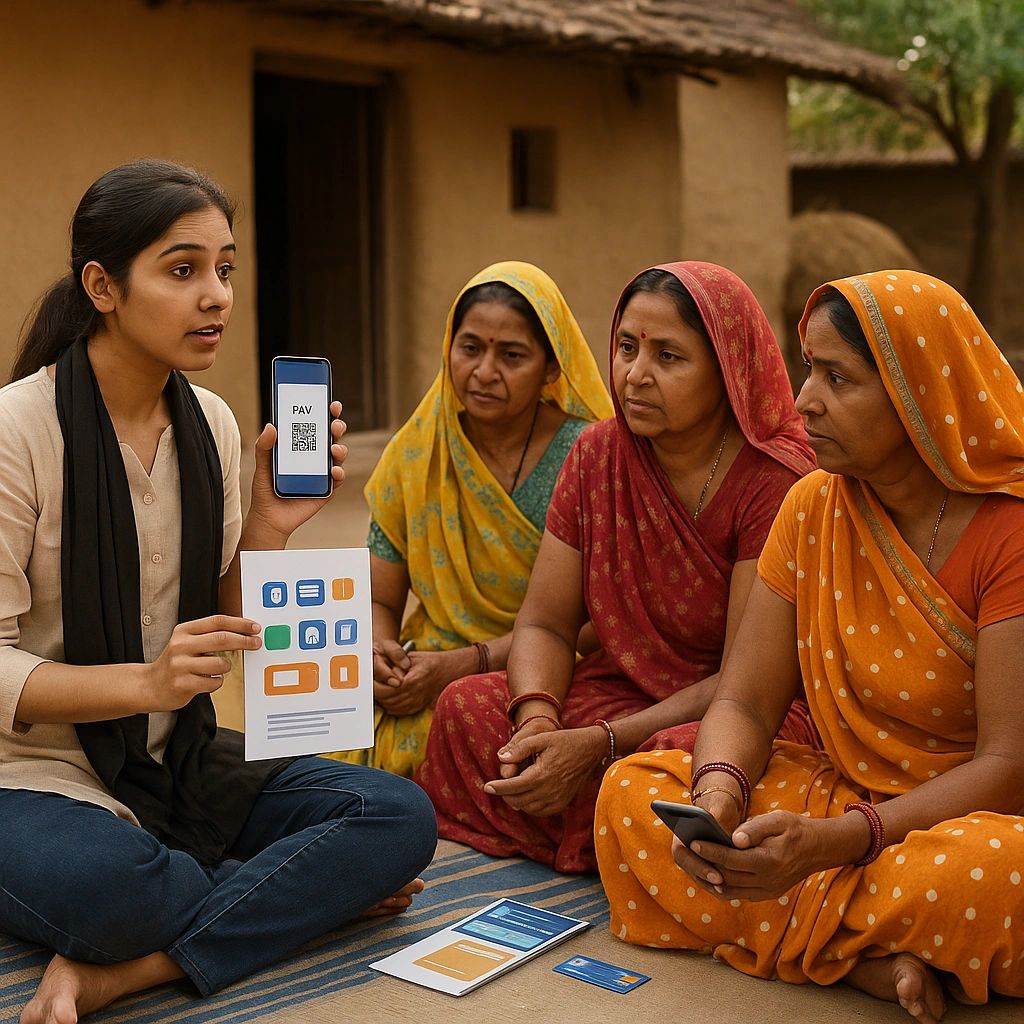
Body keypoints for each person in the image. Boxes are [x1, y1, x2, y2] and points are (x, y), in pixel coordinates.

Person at [0, 160, 437, 1024]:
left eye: (226, 269)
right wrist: (148, 683)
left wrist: (272, 525)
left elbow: (226, 614)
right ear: (102, 285)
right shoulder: (18, 431)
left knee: (395, 815)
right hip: (36, 770)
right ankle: (283, 898)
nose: (216, 297)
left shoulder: (212, 422)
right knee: (112, 889)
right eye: (182, 269)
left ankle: (130, 969)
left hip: (175, 755)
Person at [595, 270, 1024, 1023]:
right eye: (807, 369)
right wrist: (718, 800)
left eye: (838, 378)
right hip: (840, 794)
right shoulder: (813, 506)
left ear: (916, 396)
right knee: (631, 795)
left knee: (993, 878)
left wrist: (835, 843)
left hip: (965, 821)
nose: (803, 400)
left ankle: (825, 939)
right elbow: (746, 700)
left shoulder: (1009, 532)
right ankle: (871, 961)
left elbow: (1007, 764)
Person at [418, 261, 819, 872]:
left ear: (727, 372)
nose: (635, 375)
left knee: (660, 777)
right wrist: (537, 718)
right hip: (616, 695)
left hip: (734, 712)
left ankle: (611, 834)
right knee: (465, 709)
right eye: (627, 347)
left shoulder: (776, 482)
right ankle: (616, 848)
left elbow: (743, 687)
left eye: (669, 357)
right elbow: (547, 626)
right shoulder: (598, 453)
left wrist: (596, 744)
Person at [324, 261, 612, 777]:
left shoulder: (591, 456)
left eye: (512, 355)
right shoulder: (418, 453)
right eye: (471, 348)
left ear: (551, 367)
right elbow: (380, 595)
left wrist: (465, 665)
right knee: (333, 748)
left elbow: (602, 621)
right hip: (428, 663)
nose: (483, 372)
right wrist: (379, 651)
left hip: (554, 673)